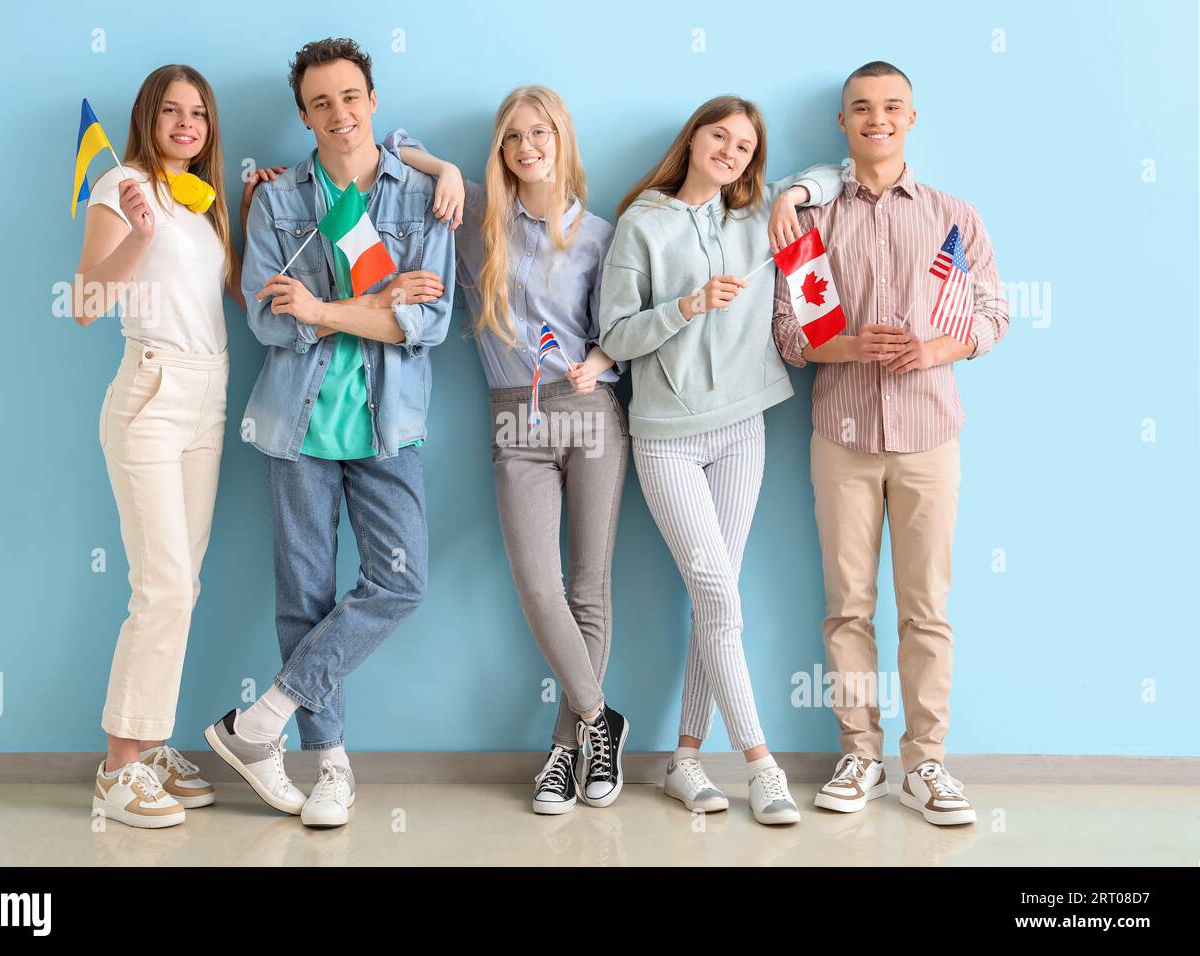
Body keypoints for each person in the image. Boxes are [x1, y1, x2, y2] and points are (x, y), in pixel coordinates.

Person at [202, 37, 455, 830]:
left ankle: (261, 720)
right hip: (297, 428)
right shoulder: (278, 200)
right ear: (303, 114)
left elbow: (429, 320)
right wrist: (358, 310)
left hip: (390, 427)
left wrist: (319, 308)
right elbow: (266, 322)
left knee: (401, 582)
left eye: (350, 97)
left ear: (372, 100)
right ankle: (331, 767)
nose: (338, 114)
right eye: (320, 103)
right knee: (303, 599)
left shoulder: (423, 193)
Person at [772, 61, 1008, 826]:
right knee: (847, 607)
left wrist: (940, 348)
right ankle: (860, 752)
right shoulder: (812, 222)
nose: (878, 118)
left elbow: (993, 314)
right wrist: (841, 348)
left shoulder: (953, 217)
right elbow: (787, 331)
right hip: (840, 435)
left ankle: (927, 764)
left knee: (926, 608)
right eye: (862, 108)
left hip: (929, 436)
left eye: (892, 107)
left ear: (913, 117)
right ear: (843, 124)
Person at [385, 85, 631, 814]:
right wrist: (447, 169)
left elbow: (621, 329)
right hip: (513, 421)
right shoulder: (476, 228)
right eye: (513, 137)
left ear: (562, 140)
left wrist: (602, 361)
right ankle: (600, 720)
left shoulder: (601, 235)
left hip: (589, 414)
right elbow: (393, 146)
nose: (528, 148)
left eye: (541, 134)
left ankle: (564, 751)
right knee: (537, 587)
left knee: (589, 589)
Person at [599, 95, 843, 826]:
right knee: (718, 594)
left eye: (745, 145)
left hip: (744, 428)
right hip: (667, 433)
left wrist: (793, 194)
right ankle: (762, 766)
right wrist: (686, 306)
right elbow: (612, 338)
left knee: (718, 597)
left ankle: (684, 760)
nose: (731, 151)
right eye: (720, 135)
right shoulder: (641, 223)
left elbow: (833, 175)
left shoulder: (762, 215)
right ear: (693, 139)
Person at [74, 64, 282, 829]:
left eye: (199, 113)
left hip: (210, 393)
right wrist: (142, 231)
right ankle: (117, 769)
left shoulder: (205, 204)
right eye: (172, 111)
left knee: (181, 585)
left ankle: (150, 741)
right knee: (159, 586)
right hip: (151, 397)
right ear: (148, 118)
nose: (187, 123)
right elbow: (87, 303)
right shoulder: (121, 187)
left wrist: (256, 214)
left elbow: (241, 294)